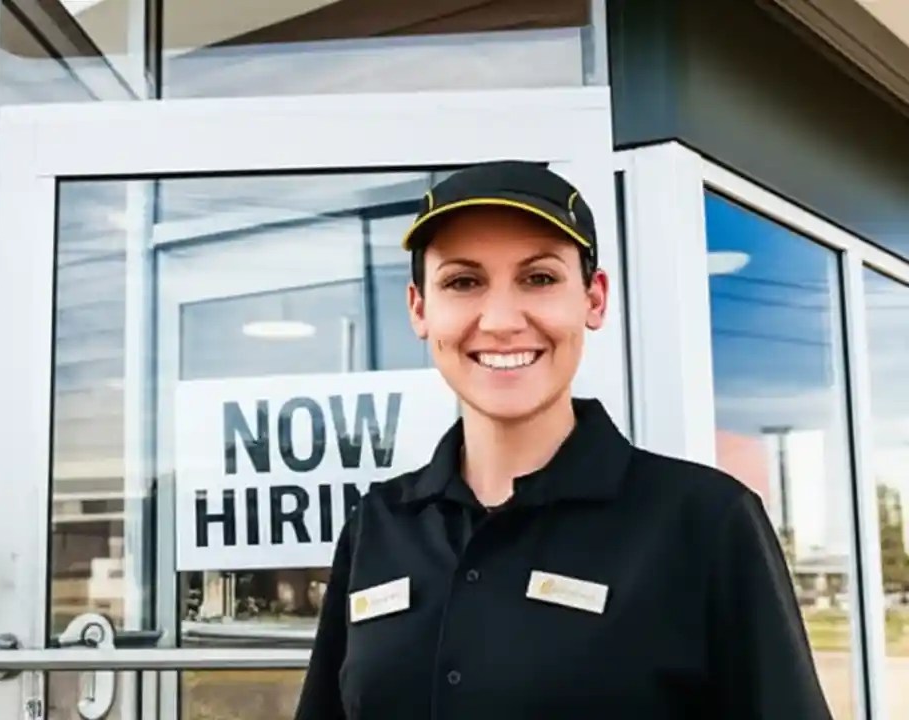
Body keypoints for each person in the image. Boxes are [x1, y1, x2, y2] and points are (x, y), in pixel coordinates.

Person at [293, 161, 833, 719]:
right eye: (463, 281)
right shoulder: (378, 525)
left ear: (593, 299)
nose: (501, 319)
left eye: (540, 278)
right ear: (420, 309)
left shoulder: (704, 521)